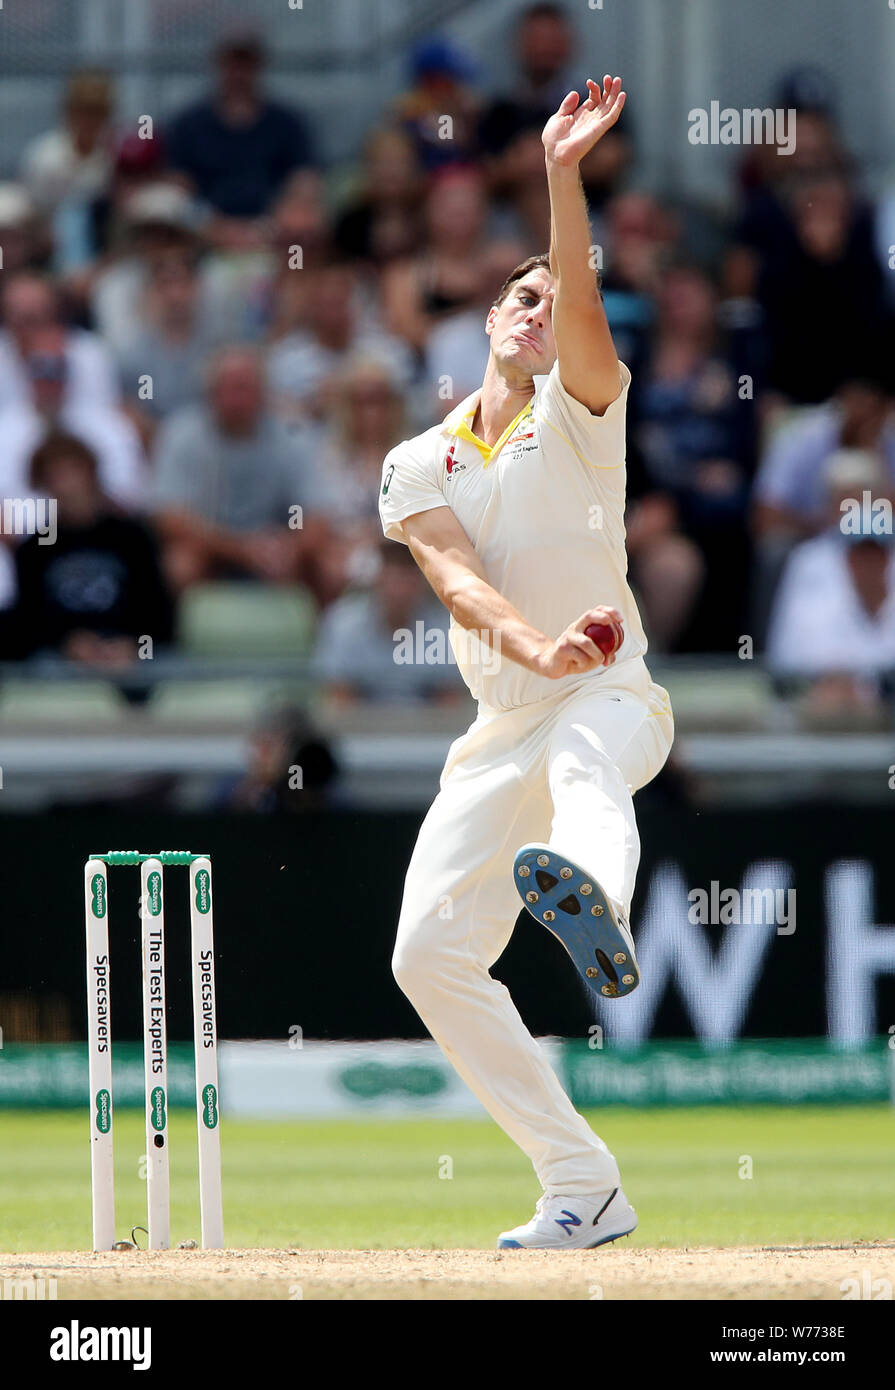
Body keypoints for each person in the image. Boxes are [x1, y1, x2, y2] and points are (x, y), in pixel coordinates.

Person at [379, 77, 673, 1250]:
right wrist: (529, 643)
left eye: (556, 299)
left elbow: (581, 288)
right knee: (424, 956)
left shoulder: (584, 411)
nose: (539, 308)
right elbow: (451, 580)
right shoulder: (417, 461)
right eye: (521, 294)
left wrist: (561, 175)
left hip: (606, 693)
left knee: (591, 770)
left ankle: (591, 888)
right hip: (502, 725)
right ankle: (583, 1184)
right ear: (485, 320)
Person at [12, 433, 172, 663]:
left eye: (71, 473)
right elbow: (28, 623)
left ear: (91, 473)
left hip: (131, 660)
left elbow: (158, 613)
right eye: (54, 477)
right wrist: (67, 643)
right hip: (60, 664)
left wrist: (133, 644)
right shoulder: (34, 550)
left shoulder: (134, 538)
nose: (66, 487)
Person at [165, 24, 314, 248]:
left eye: (247, 62)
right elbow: (177, 189)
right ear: (219, 63)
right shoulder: (188, 124)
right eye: (233, 62)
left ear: (260, 65)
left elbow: (304, 181)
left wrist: (272, 224)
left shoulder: (288, 123)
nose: (239, 71)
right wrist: (214, 228)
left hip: (276, 235)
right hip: (203, 236)